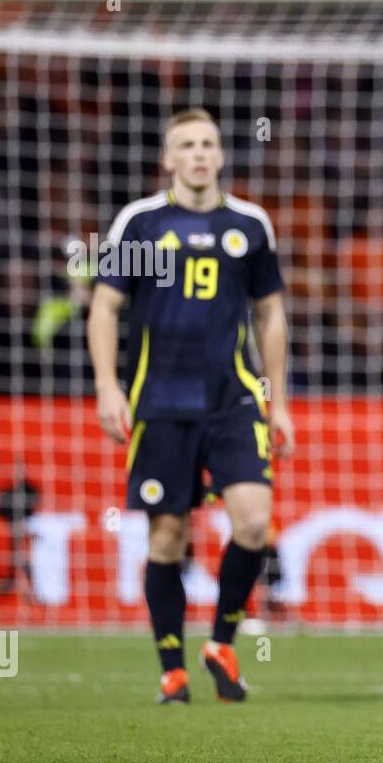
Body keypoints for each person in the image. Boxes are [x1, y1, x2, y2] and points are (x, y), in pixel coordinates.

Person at [87, 108, 294, 703]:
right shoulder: (142, 223)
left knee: (253, 522)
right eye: (187, 145)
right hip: (161, 401)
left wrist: (278, 400)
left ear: (221, 155)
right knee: (168, 538)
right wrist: (107, 386)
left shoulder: (249, 224)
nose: (199, 154)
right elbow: (105, 307)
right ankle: (171, 669)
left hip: (233, 398)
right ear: (168, 158)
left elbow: (270, 314)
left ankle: (222, 642)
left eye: (208, 144)